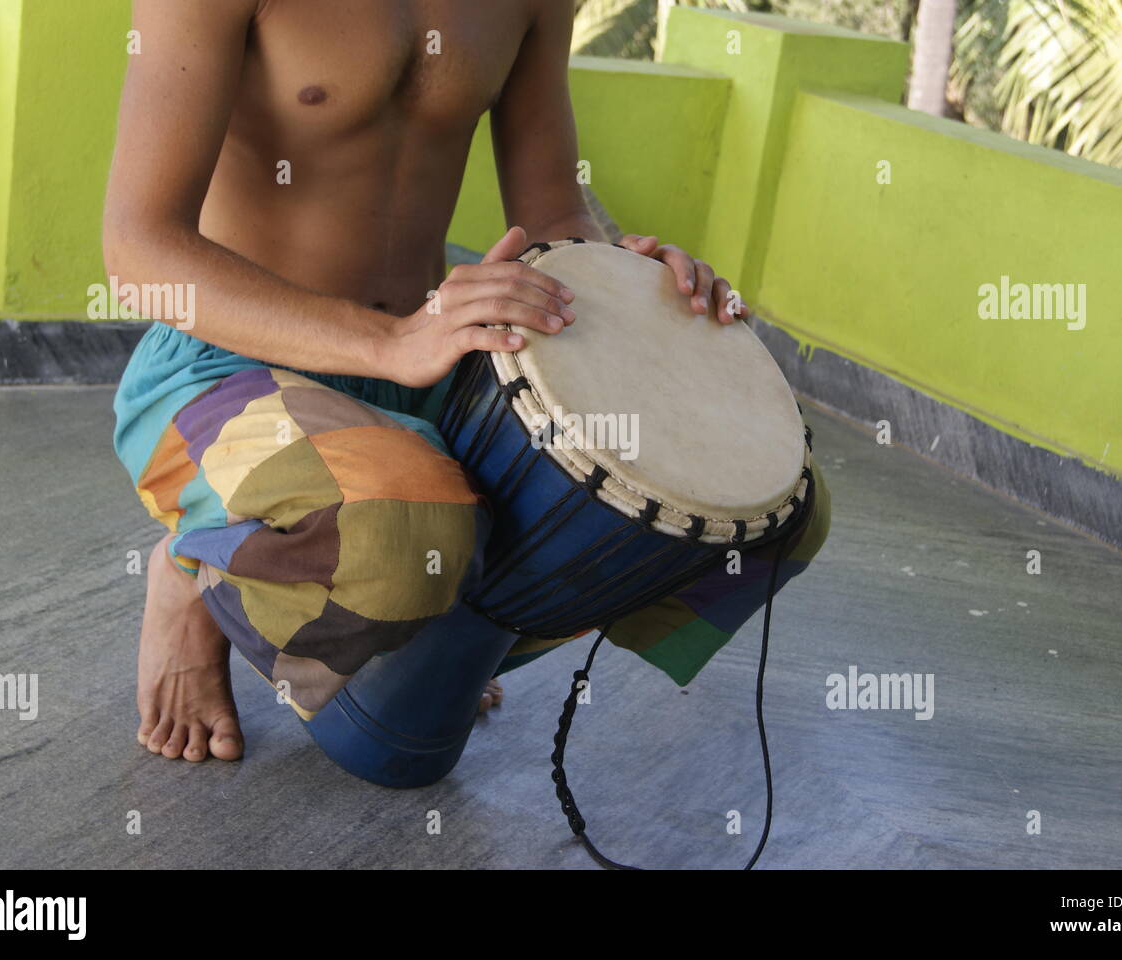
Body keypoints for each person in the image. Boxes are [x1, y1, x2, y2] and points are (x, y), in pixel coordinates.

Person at [105, 0, 830, 765]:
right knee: (400, 578)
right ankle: (197, 573)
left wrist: (634, 284)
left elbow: (553, 211)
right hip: (234, 365)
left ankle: (449, 635)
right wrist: (389, 341)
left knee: (773, 513)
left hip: (436, 357)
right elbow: (139, 252)